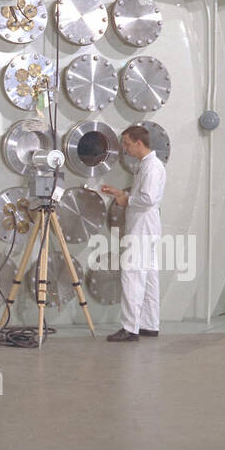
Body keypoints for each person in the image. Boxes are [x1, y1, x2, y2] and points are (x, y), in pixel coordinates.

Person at [99, 125, 166, 342]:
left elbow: (147, 199)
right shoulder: (146, 166)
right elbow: (144, 196)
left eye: (127, 144)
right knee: (149, 275)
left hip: (142, 226)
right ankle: (149, 324)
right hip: (147, 224)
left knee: (133, 274)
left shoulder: (152, 167)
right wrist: (121, 193)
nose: (125, 149)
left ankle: (130, 328)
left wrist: (126, 200)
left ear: (139, 142)